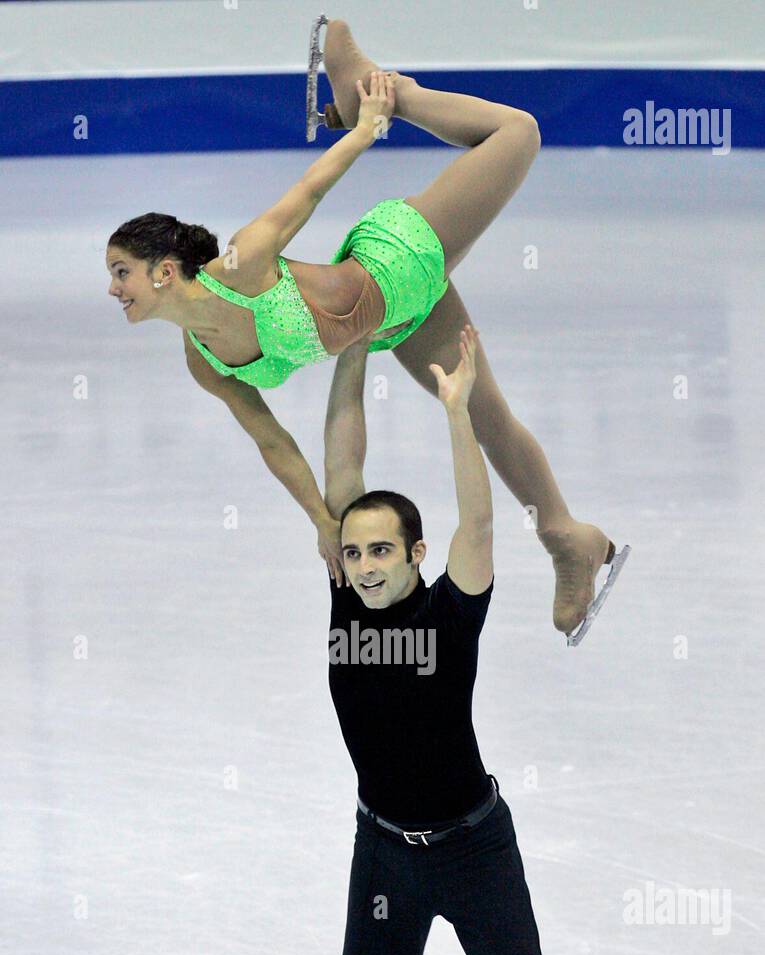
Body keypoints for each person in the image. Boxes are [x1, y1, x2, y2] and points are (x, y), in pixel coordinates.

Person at [104, 17, 623, 638]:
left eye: (121, 272)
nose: (113, 289)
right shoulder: (202, 359)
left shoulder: (239, 266)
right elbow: (273, 442)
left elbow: (310, 190)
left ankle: (392, 94)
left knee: (518, 132)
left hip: (397, 255)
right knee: (487, 418)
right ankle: (569, 539)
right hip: (394, 321)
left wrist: (371, 128)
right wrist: (323, 522)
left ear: (164, 270)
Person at [303, 324, 604, 955]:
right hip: (383, 854)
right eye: (353, 552)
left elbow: (479, 527)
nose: (366, 564)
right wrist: (348, 352)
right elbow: (341, 456)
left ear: (416, 554)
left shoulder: (448, 608)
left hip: (475, 853)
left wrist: (456, 411)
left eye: (384, 550)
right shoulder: (347, 604)